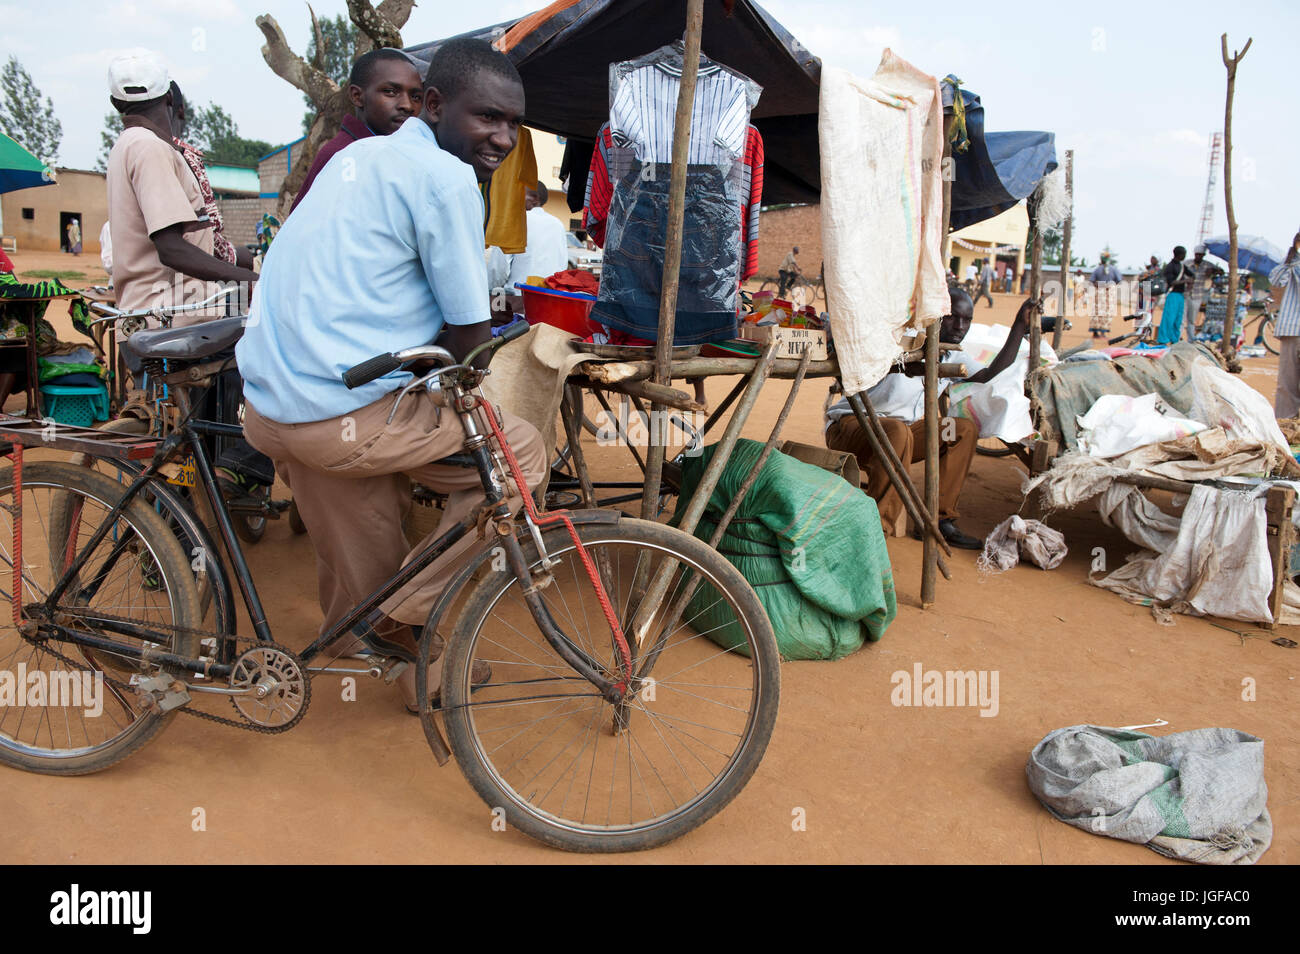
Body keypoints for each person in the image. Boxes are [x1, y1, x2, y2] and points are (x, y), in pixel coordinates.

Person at [237, 37, 547, 712]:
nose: (500, 137)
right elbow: (469, 337)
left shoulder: (358, 158)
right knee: (518, 452)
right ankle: (412, 626)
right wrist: (469, 380)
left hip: (269, 408)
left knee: (355, 509)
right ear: (433, 105)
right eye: (486, 117)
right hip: (331, 415)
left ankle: (352, 633)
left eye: (513, 124)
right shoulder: (444, 178)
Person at [823, 288, 1034, 550]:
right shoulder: (903, 339)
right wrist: (910, 364)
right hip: (855, 426)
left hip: (905, 435)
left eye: (966, 320)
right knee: (898, 432)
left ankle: (939, 519)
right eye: (952, 317)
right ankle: (877, 531)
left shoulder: (954, 353)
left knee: (962, 430)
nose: (959, 326)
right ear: (935, 316)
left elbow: (989, 373)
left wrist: (1019, 325)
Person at [104, 49, 258, 325]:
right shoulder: (149, 148)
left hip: (152, 312)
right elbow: (171, 248)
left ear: (115, 103)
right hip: (170, 318)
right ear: (170, 97)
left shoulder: (127, 144)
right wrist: (253, 279)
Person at [290, 48, 424, 213]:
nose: (407, 105)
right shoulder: (342, 155)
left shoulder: (401, 153)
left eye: (416, 97)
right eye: (390, 92)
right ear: (357, 96)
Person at [169, 82, 249, 274]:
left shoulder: (125, 151)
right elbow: (206, 235)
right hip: (189, 282)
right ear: (180, 111)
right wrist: (239, 259)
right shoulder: (185, 157)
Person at [487, 181, 568, 295]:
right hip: (550, 299)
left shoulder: (514, 220)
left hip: (516, 299)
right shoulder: (558, 225)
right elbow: (562, 267)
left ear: (534, 198)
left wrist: (491, 289)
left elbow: (498, 268)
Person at [1271, 232, 1300, 418]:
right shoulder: (1291, 262)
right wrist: (1288, 262)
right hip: (1292, 328)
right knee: (1286, 385)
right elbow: (1274, 280)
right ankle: (1284, 425)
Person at [1156, 245, 1191, 345]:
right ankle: (1163, 340)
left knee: (1178, 319)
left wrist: (1190, 283)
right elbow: (1171, 282)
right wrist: (1186, 280)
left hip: (1180, 295)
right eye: (1184, 254)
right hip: (1172, 295)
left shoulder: (1182, 266)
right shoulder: (1170, 266)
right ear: (1179, 254)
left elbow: (1192, 275)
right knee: (1169, 318)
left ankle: (1174, 339)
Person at [1183, 243, 1214, 341]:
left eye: (1201, 255)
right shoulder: (1187, 263)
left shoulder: (1207, 265)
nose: (1199, 256)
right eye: (1197, 254)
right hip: (1186, 295)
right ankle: (1177, 338)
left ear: (1203, 255)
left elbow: (1220, 271)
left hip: (1197, 296)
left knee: (1192, 319)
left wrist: (1212, 272)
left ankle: (1191, 339)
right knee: (1181, 319)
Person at [1088, 253, 1121, 338]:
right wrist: (1110, 285)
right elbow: (1118, 280)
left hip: (1100, 292)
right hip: (1109, 293)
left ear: (1101, 260)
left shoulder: (1097, 269)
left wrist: (1099, 285)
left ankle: (1095, 332)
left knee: (1097, 312)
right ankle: (1103, 332)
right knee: (1107, 312)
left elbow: (1092, 280)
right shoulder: (1114, 269)